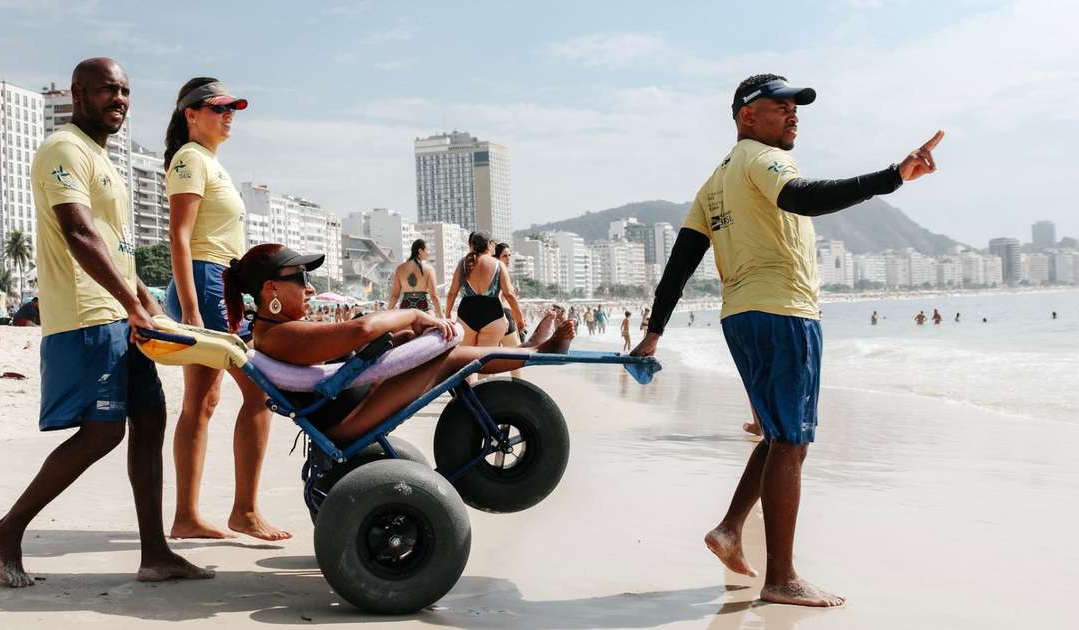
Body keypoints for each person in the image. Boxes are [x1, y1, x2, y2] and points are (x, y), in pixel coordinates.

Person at [632, 73, 942, 607]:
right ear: (746, 116)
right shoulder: (763, 158)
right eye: (780, 106)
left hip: (741, 315)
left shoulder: (716, 180)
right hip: (783, 311)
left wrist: (653, 332)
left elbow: (681, 261)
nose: (793, 113)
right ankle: (782, 577)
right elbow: (801, 198)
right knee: (793, 441)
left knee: (778, 434)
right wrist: (892, 176)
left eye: (796, 107)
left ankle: (730, 530)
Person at [0, 58, 211, 588]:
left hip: (120, 310)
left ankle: (155, 553)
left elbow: (116, 245)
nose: (121, 99)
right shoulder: (63, 149)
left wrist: (148, 303)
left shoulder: (103, 158)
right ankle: (7, 530)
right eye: (109, 89)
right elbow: (80, 236)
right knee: (105, 430)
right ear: (77, 93)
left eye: (127, 91)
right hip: (88, 313)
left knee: (149, 420)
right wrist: (131, 306)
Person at [223, 244, 575, 443]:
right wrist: (414, 316)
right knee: (444, 356)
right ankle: (533, 352)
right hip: (346, 421)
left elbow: (353, 346)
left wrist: (404, 334)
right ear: (271, 289)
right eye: (302, 278)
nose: (310, 287)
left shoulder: (278, 330)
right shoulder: (280, 335)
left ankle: (529, 351)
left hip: (348, 405)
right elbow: (362, 330)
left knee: (425, 344)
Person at [162, 77, 287, 542]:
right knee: (258, 393)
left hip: (218, 282)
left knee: (203, 402)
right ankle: (244, 513)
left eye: (233, 107)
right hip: (206, 281)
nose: (228, 114)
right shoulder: (191, 159)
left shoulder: (209, 162)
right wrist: (193, 308)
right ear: (190, 115)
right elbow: (179, 235)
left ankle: (187, 516)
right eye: (218, 108)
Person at [445, 231, 524, 350]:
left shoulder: (463, 263)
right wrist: (519, 317)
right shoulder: (498, 264)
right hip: (493, 314)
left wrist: (448, 314)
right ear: (489, 244)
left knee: (466, 358)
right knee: (484, 358)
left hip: (467, 313)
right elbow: (509, 294)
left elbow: (452, 293)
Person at [388, 239, 442, 316]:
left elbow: (395, 295)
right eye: (428, 250)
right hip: (424, 310)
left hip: (405, 310)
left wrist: (387, 313)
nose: (429, 253)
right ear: (420, 251)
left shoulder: (400, 269)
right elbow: (434, 295)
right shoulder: (429, 269)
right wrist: (441, 315)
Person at [493, 242, 524, 377]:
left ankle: (485, 392)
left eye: (510, 255)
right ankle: (519, 391)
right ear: (498, 257)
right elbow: (499, 297)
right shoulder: (501, 271)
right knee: (515, 359)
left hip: (491, 317)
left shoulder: (491, 272)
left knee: (490, 359)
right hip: (503, 314)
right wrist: (513, 317)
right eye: (505, 256)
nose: (508, 259)